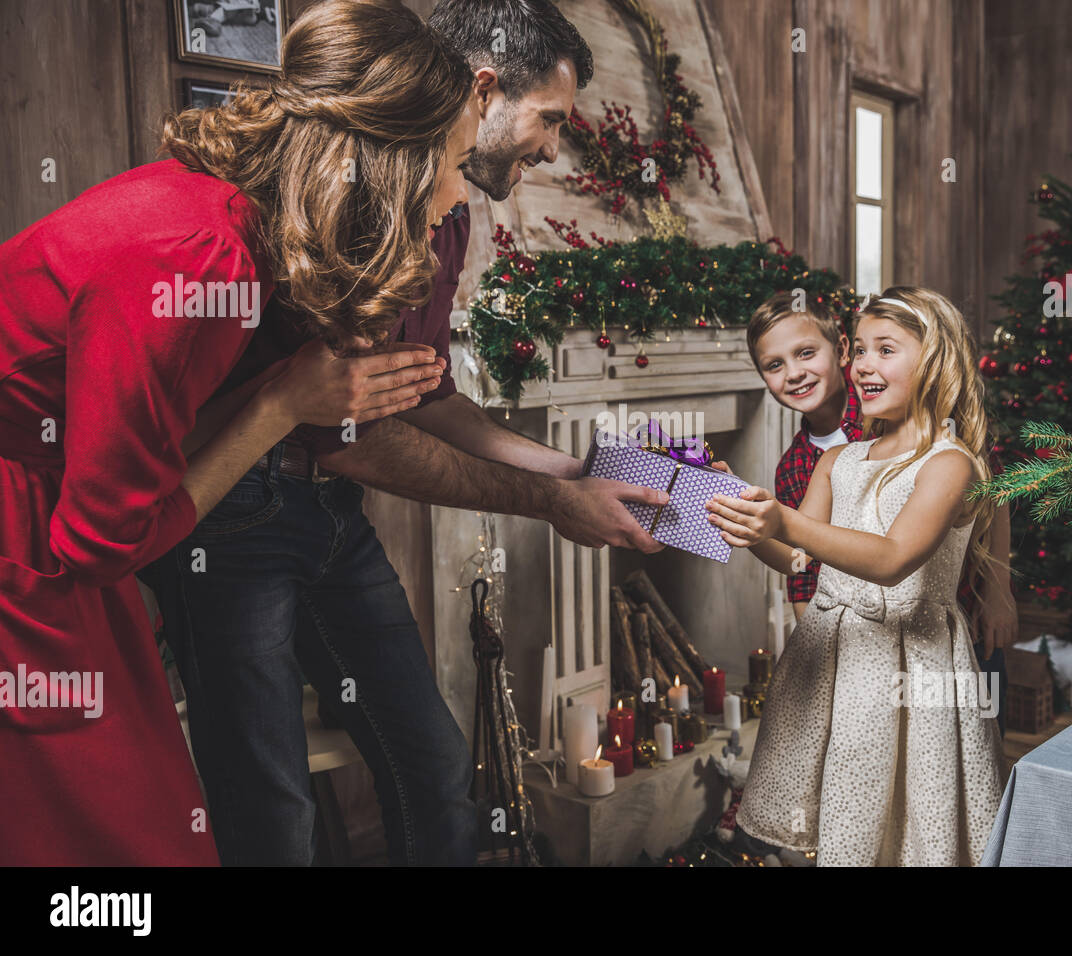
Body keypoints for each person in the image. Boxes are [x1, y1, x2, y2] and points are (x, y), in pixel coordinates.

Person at [140, 0, 668, 867]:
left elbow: (420, 395)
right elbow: (352, 428)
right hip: (230, 516)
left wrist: (574, 469)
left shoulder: (449, 212)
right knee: (270, 811)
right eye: (548, 122)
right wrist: (553, 503)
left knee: (431, 766)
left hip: (331, 511)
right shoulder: (358, 197)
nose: (550, 150)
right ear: (486, 89)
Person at [0, 0, 468, 865]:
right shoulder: (199, 254)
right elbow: (100, 543)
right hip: (28, 542)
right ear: (390, 164)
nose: (456, 194)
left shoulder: (233, 228)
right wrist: (284, 403)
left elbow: (152, 440)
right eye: (453, 163)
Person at [709, 287, 1008, 865]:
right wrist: (746, 522)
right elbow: (796, 559)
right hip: (830, 658)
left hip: (908, 662)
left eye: (885, 349)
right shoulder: (832, 460)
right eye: (861, 351)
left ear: (935, 359)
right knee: (836, 799)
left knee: (901, 814)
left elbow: (894, 557)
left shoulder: (950, 464)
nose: (864, 364)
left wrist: (786, 521)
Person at [747, 290, 1017, 733]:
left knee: (964, 731)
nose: (794, 374)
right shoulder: (804, 463)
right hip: (857, 646)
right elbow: (800, 561)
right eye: (774, 366)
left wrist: (999, 591)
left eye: (806, 354)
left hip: (946, 618)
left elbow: (994, 490)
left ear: (838, 351)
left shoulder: (895, 413)